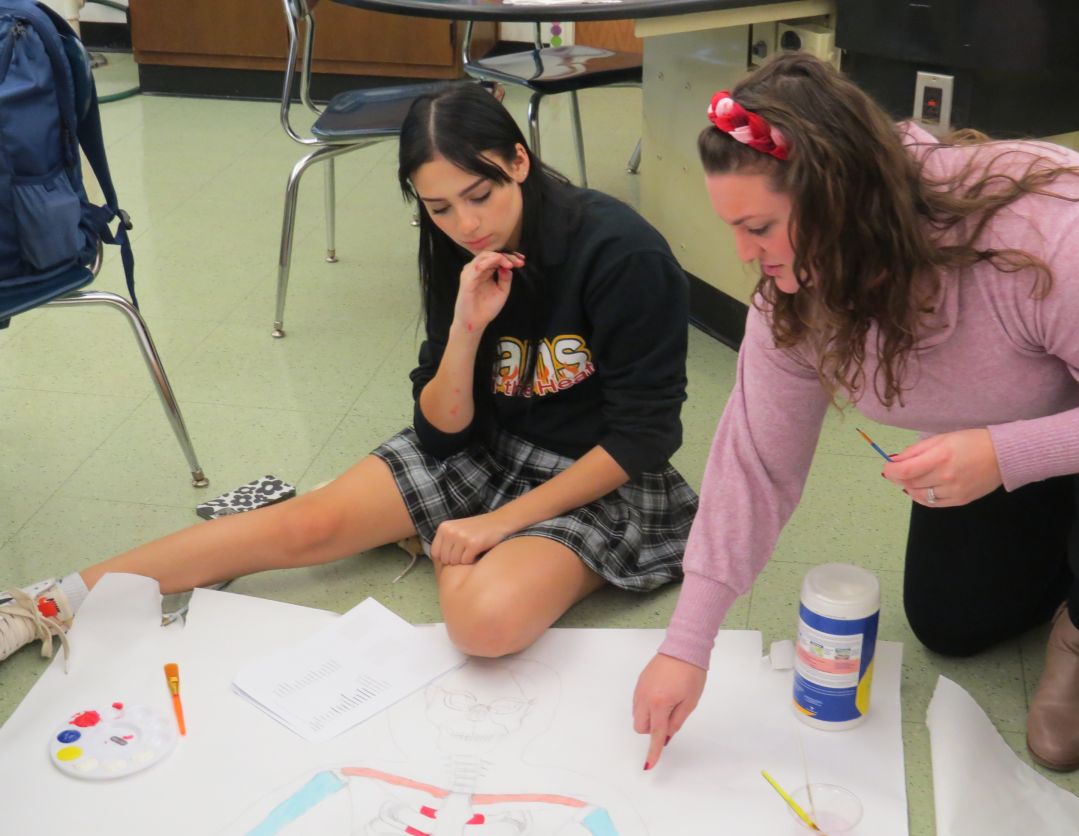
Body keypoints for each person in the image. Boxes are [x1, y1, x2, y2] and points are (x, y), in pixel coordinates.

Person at [632, 52, 1079, 773]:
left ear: (838, 199)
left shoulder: (1039, 225)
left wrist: (1003, 457)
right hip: (1032, 413)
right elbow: (756, 463)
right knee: (951, 624)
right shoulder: (797, 293)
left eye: (762, 227)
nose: (746, 255)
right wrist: (687, 644)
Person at [0, 83, 697, 664]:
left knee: (485, 625)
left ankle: (441, 533)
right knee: (303, 526)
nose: (465, 223)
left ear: (519, 159)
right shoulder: (455, 245)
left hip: (590, 474)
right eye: (439, 206)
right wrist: (465, 329)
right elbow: (442, 431)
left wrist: (492, 527)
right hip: (484, 450)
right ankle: (43, 603)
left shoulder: (622, 254)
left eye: (479, 194)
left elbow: (644, 437)